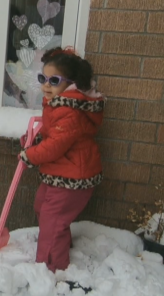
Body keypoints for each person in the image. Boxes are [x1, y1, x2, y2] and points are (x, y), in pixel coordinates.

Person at [18, 47, 104, 273]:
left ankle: (50, 268)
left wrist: (32, 155)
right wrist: (32, 141)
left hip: (72, 176)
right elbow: (52, 135)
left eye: (53, 80)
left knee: (52, 220)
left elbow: (57, 145)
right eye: (42, 78)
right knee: (42, 207)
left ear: (70, 83)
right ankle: (59, 245)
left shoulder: (69, 111)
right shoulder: (59, 104)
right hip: (60, 172)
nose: (46, 85)